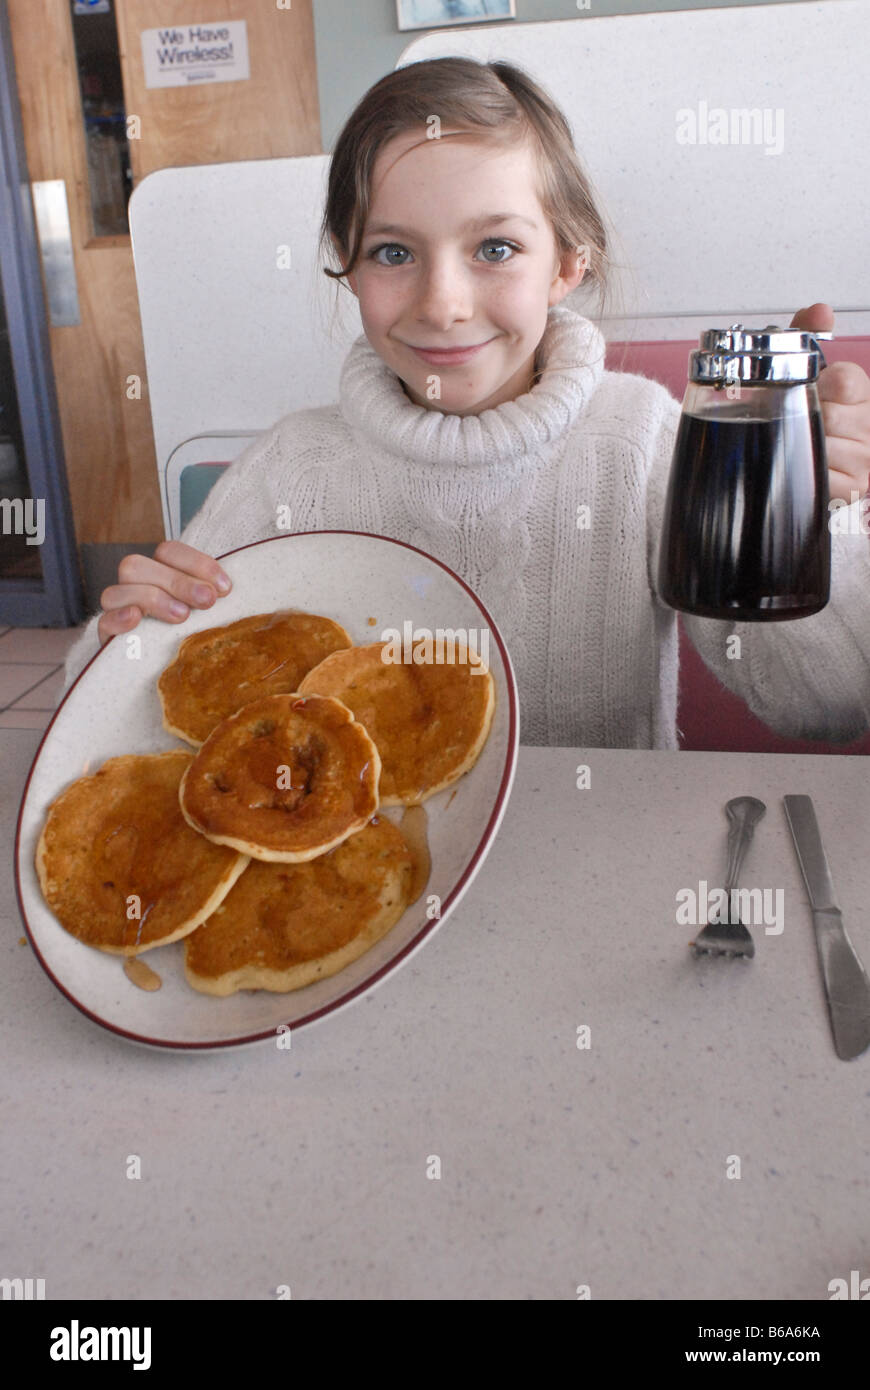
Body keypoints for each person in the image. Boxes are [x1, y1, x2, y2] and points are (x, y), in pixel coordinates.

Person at [61, 57, 870, 748]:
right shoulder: (290, 471)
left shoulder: (650, 444)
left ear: (566, 265)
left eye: (495, 248)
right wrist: (122, 641)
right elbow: (108, 714)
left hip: (600, 871)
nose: (443, 303)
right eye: (392, 252)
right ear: (345, 266)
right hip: (366, 898)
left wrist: (816, 522)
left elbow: (827, 704)